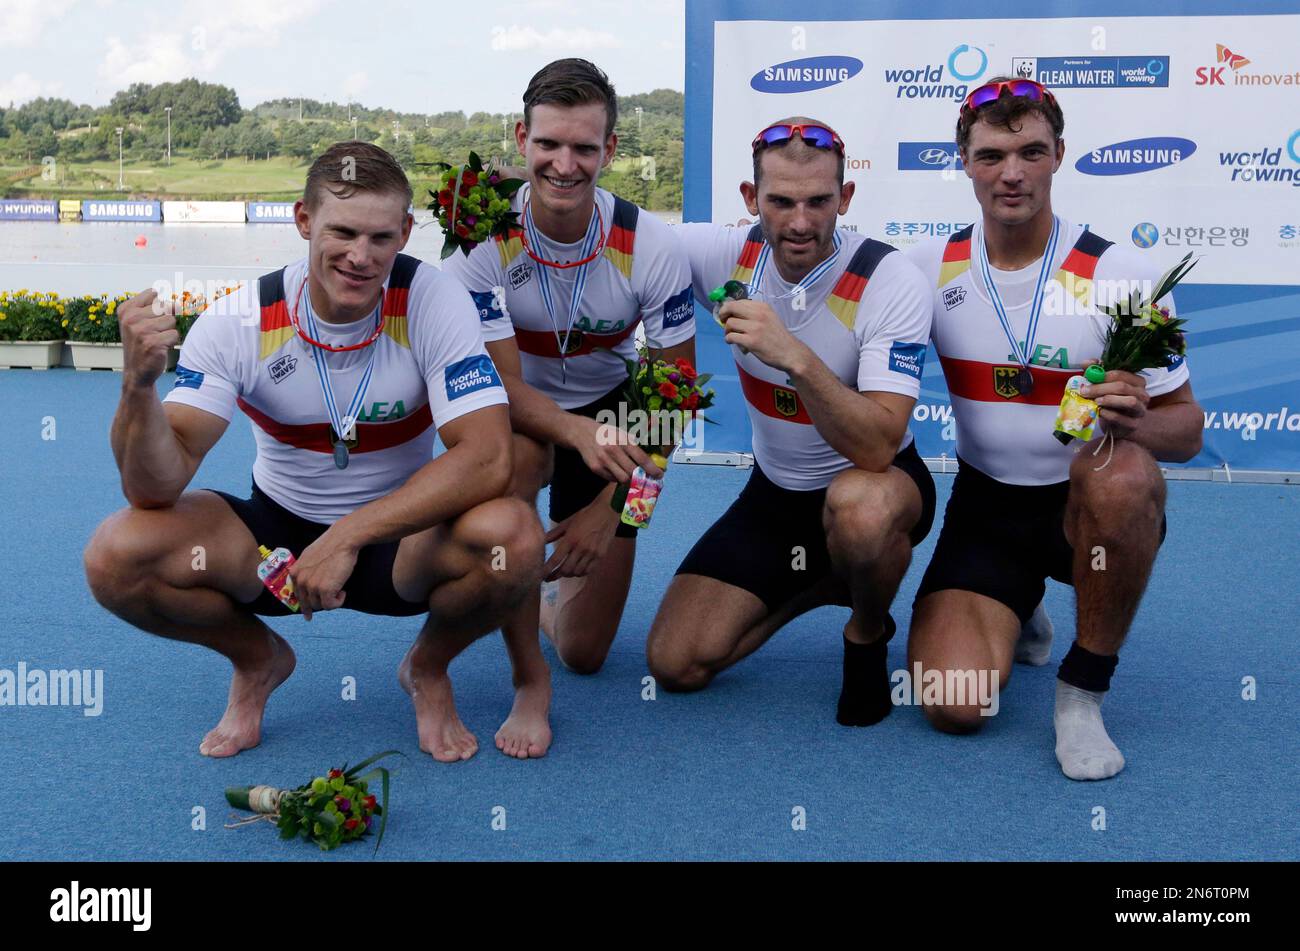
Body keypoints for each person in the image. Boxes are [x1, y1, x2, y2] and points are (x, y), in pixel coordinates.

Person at [83, 142, 544, 763]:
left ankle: (428, 668)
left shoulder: (435, 303)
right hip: (275, 542)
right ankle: (258, 659)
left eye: (382, 237)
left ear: (407, 232)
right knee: (116, 557)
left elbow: (489, 458)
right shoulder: (239, 321)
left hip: (401, 545)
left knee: (512, 539)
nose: (361, 257)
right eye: (343, 232)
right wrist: (137, 390)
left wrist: (347, 536)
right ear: (303, 220)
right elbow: (153, 490)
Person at [904, 79, 1203, 780]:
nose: (1012, 173)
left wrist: (1137, 424)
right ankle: (1020, 604)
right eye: (992, 155)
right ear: (964, 161)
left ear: (1059, 155)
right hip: (985, 507)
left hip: (1083, 503)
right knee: (955, 705)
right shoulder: (923, 268)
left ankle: (1082, 693)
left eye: (1031, 151)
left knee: (1125, 469)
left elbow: (1187, 430)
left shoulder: (1122, 275)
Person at [646, 118, 936, 725]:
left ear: (845, 198)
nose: (800, 222)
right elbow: (615, 227)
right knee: (676, 666)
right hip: (776, 494)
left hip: (876, 483)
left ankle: (865, 628)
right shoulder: (725, 253)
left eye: (818, 201)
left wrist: (795, 357)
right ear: (751, 201)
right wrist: (524, 184)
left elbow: (880, 445)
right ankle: (831, 579)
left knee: (861, 510)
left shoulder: (889, 279)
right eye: (780, 202)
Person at [443, 59, 696, 753]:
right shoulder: (481, 231)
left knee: (586, 653)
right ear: (522, 138)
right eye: (549, 144)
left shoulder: (651, 245)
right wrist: (577, 436)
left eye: (585, 147)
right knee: (519, 459)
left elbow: (675, 408)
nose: (564, 163)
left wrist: (610, 508)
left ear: (610, 150)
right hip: (516, 407)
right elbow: (495, 387)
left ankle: (531, 593)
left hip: (614, 417)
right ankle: (530, 682)